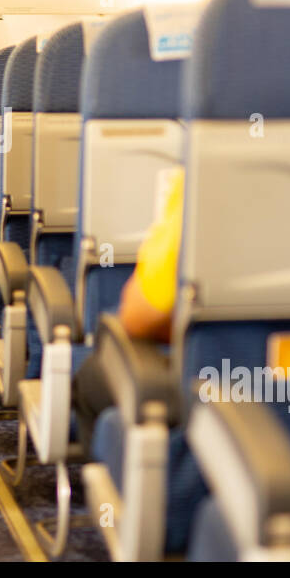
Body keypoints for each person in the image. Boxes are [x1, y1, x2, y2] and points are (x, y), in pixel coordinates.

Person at [72, 167, 184, 451]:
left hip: (195, 400)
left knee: (87, 379)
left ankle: (106, 490)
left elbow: (137, 317)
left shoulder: (201, 181)